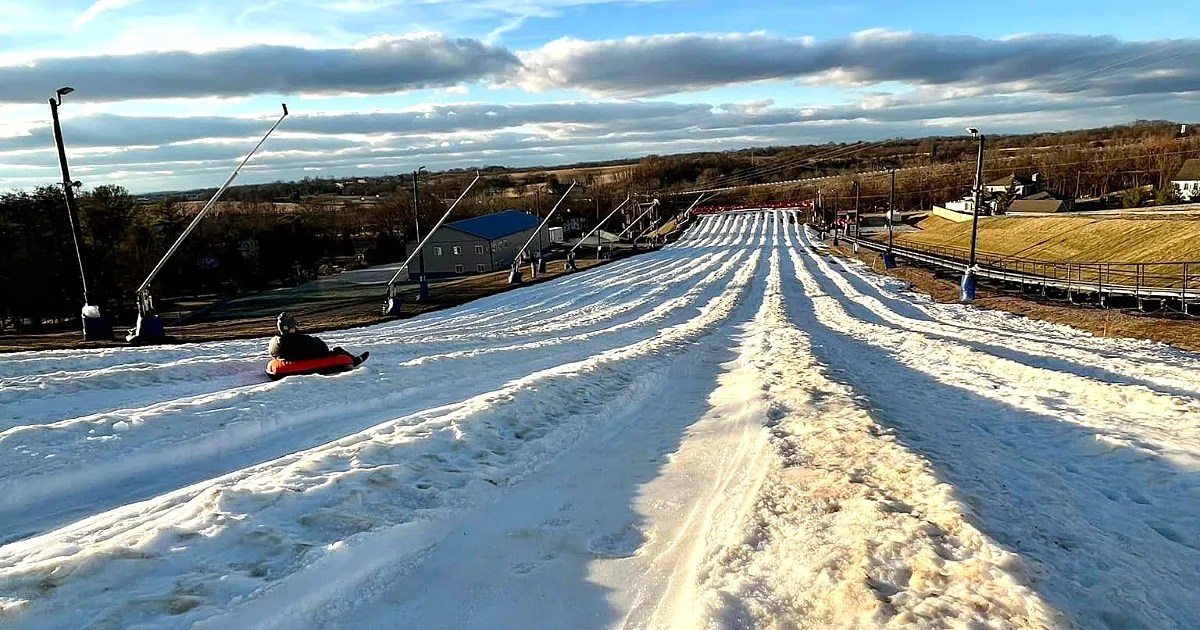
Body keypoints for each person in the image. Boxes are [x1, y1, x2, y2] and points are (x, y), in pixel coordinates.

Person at [269, 312, 367, 365]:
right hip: (307, 357)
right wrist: (317, 341)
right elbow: (322, 350)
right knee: (337, 350)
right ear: (290, 328)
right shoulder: (301, 340)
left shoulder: (275, 341)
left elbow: (274, 354)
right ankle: (355, 360)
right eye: (294, 326)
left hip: (292, 358)